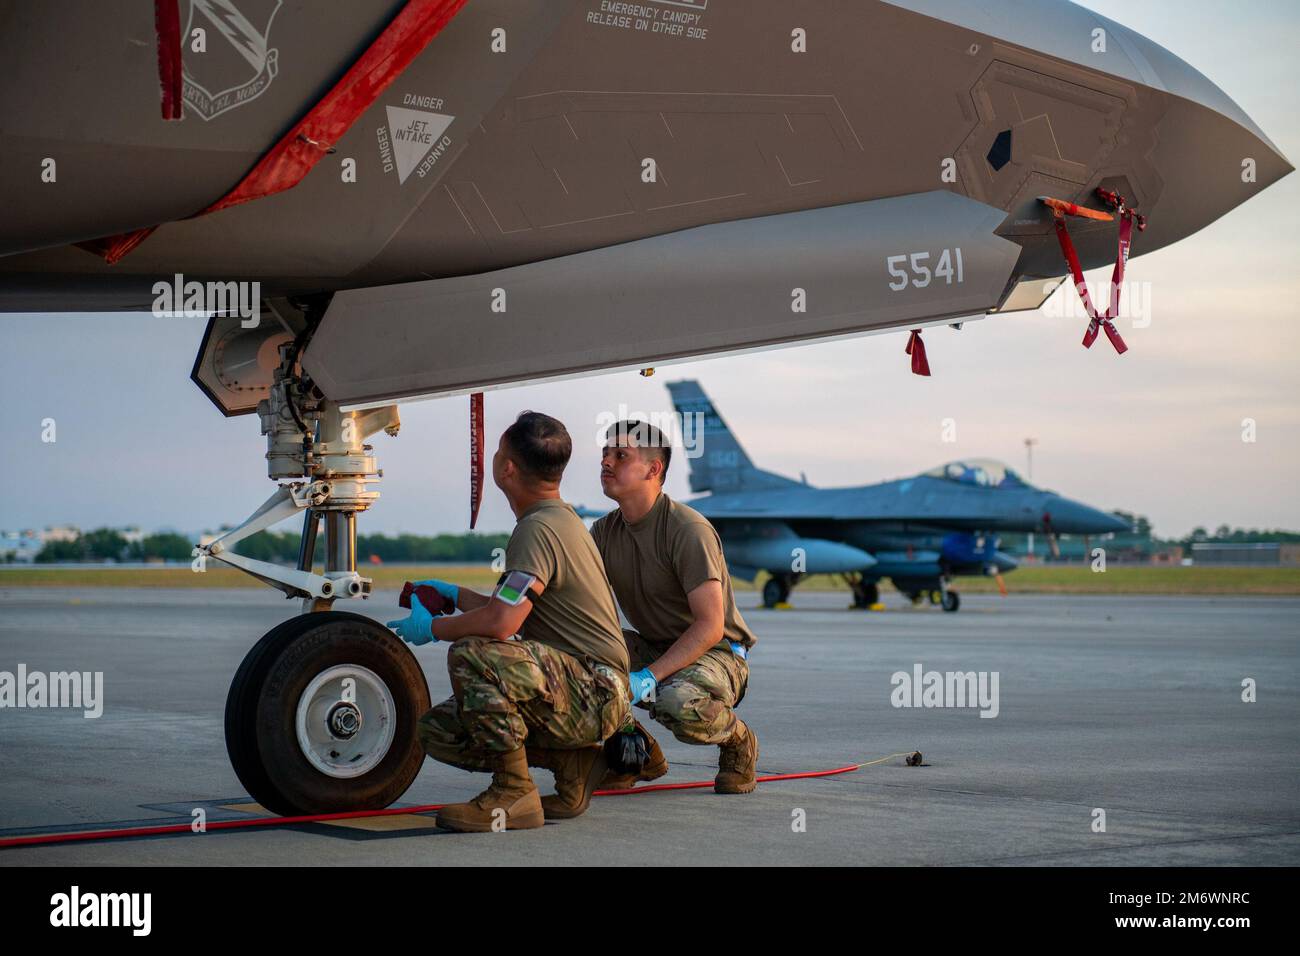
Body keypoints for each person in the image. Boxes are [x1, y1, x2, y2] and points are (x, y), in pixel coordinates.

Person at [387, 411, 630, 831]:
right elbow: (513, 612)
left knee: (474, 654)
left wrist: (432, 629)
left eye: (497, 452)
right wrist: (454, 595)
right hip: (586, 686)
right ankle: (572, 764)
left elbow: (501, 625)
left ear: (507, 468)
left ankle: (514, 792)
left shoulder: (537, 530)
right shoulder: (559, 519)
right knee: (440, 730)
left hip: (594, 689)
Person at [590, 420, 759, 794]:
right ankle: (638, 752)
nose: (606, 462)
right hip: (656, 644)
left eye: (620, 455)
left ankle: (738, 741)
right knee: (579, 655)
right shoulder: (603, 533)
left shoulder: (687, 530)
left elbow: (710, 625)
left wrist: (648, 676)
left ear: (654, 469)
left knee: (676, 703)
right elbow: (580, 604)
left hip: (715, 654)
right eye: (604, 453)